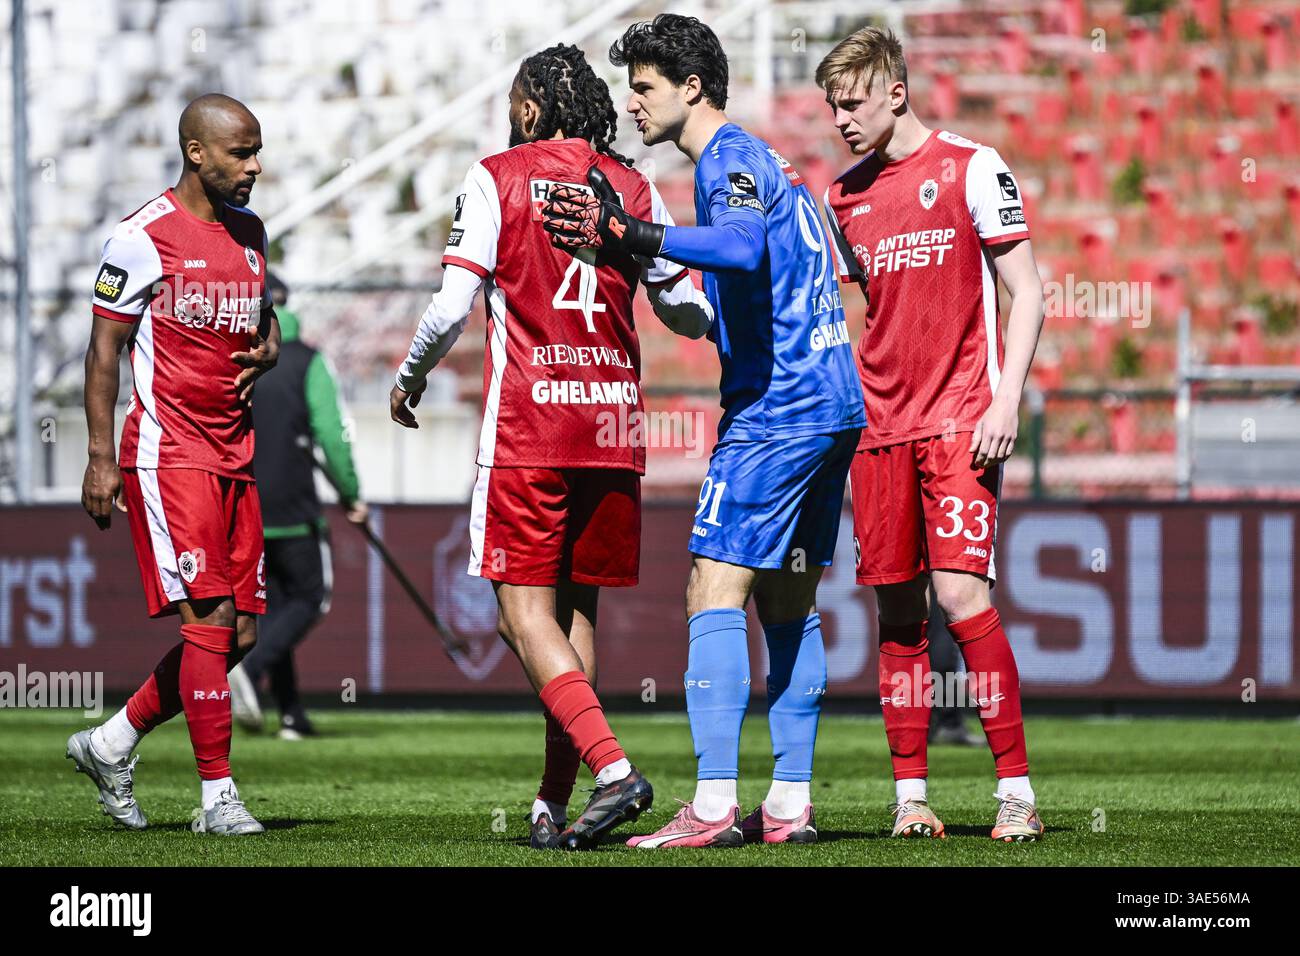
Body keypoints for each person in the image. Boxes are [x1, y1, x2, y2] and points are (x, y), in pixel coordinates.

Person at [543, 14, 865, 849]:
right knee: (790, 602)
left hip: (777, 408)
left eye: (643, 86)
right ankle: (789, 804)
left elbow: (741, 245)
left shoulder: (725, 160)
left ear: (691, 87)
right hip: (831, 401)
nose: (632, 102)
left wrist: (633, 233)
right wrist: (640, 259)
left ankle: (715, 805)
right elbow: (723, 292)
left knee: (711, 588)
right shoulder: (758, 157)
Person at [389, 44, 713, 850]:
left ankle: (612, 771)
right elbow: (683, 311)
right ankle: (554, 803)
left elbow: (453, 302)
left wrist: (408, 379)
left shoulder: (496, 175)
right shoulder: (634, 188)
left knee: (520, 613)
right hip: (611, 425)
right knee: (572, 615)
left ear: (530, 107)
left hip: (531, 426)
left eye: (513, 99)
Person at [817, 27, 1046, 841]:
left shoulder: (972, 167)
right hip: (879, 433)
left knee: (960, 597)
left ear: (895, 92)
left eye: (852, 103)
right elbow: (851, 323)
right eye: (832, 106)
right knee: (899, 617)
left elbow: (1028, 291)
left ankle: (1015, 792)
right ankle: (911, 798)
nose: (840, 120)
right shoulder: (842, 197)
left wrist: (1005, 400)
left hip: (959, 422)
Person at [71, 93, 279, 836]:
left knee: (241, 635)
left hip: (236, 453)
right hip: (169, 453)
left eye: (257, 151)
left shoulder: (252, 231)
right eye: (240, 152)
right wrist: (99, 458)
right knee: (210, 621)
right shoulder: (141, 236)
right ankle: (217, 798)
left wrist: (274, 337)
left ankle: (110, 742)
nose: (254, 166)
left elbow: (261, 313)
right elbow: (102, 352)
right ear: (197, 152)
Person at [228, 274, 368, 739]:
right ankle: (250, 670)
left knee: (274, 605)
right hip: (293, 508)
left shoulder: (230, 358)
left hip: (240, 502)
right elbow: (332, 434)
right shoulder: (306, 360)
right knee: (310, 598)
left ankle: (291, 713)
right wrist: (351, 495)